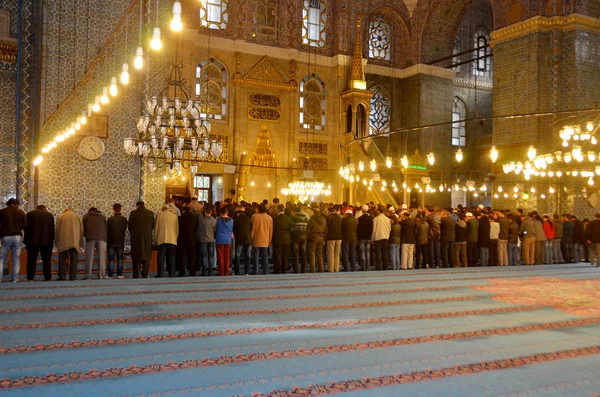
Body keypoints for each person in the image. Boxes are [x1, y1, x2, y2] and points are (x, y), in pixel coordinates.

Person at [24, 204, 54, 281]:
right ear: (44, 208)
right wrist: (52, 241)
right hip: (46, 241)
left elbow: (26, 228)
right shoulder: (49, 215)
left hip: (32, 241)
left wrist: (26, 241)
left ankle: (30, 277)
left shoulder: (30, 214)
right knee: (47, 260)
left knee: (31, 260)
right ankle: (48, 277)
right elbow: (52, 229)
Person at [0, 199, 27, 282]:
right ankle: (15, 278)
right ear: (16, 204)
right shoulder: (21, 212)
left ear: (8, 204)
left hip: (5, 236)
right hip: (17, 237)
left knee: (1, 258)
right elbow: (25, 225)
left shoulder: (2, 212)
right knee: (16, 258)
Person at [128, 201, 155, 278]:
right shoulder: (150, 213)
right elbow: (153, 226)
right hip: (147, 237)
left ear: (137, 206)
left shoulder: (133, 213)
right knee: (146, 256)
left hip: (136, 238)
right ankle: (145, 273)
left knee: (136, 257)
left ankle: (136, 274)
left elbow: (130, 226)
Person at [55, 208, 83, 280]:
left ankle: (62, 276)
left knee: (62, 259)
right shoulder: (77, 216)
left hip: (63, 240)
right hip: (75, 240)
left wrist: (56, 242)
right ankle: (73, 276)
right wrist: (80, 242)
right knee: (74, 259)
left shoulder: (61, 216)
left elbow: (57, 230)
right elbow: (81, 230)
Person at [83, 207, 107, 280]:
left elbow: (84, 228)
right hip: (101, 239)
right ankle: (101, 275)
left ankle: (88, 276)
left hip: (90, 238)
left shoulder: (86, 216)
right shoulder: (103, 217)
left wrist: (86, 235)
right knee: (101, 258)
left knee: (89, 258)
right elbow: (106, 228)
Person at [154, 204, 178, 277]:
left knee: (161, 257)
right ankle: (171, 273)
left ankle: (160, 273)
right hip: (172, 239)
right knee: (171, 257)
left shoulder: (159, 215)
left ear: (163, 209)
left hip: (162, 239)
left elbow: (156, 228)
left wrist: (155, 239)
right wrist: (175, 238)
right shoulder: (174, 216)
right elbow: (177, 229)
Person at [107, 203, 128, 278]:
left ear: (113, 210)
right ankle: (120, 274)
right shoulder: (124, 219)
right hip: (120, 241)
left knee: (111, 259)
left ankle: (110, 275)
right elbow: (125, 229)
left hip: (111, 242)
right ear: (120, 209)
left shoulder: (110, 219)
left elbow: (107, 230)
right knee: (120, 258)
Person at [177, 206, 200, 277]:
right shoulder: (195, 218)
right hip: (192, 239)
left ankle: (182, 272)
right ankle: (192, 272)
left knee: (183, 257)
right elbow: (197, 229)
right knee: (191, 257)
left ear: (183, 211)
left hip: (182, 239)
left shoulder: (180, 218)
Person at [251, 204, 273, 275]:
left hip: (256, 238)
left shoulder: (254, 216)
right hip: (265, 239)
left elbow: (253, 229)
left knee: (255, 256)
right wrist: (270, 240)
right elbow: (270, 230)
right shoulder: (269, 218)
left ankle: (255, 270)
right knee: (265, 256)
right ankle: (265, 271)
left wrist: (251, 237)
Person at [272, 204, 294, 274]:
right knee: (285, 255)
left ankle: (277, 269)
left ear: (278, 210)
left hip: (277, 238)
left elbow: (273, 229)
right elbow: (292, 229)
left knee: (277, 254)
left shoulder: (275, 218)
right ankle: (284, 269)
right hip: (287, 239)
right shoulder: (289, 218)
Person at [197, 205, 217, 276]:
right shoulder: (214, 220)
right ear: (211, 212)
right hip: (211, 239)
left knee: (204, 256)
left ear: (204, 212)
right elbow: (215, 230)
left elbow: (199, 229)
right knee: (211, 256)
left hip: (203, 239)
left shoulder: (201, 220)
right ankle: (210, 271)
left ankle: (204, 271)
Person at [233, 206, 252, 275]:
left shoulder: (236, 219)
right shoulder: (248, 218)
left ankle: (237, 272)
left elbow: (234, 230)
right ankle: (247, 271)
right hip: (248, 239)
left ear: (237, 213)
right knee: (247, 256)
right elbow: (251, 228)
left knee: (237, 255)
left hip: (239, 239)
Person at [306, 208, 327, 273]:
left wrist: (306, 238)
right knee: (320, 255)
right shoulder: (324, 220)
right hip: (321, 238)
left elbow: (308, 230)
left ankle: (312, 270)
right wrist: (324, 239)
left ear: (313, 213)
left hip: (312, 239)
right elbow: (326, 230)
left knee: (312, 254)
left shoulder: (312, 220)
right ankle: (321, 269)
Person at [215, 207, 234, 276]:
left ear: (220, 213)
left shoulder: (218, 220)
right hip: (228, 239)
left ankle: (221, 272)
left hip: (219, 239)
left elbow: (215, 228)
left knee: (220, 256)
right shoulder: (231, 220)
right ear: (227, 212)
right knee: (227, 256)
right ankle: (226, 272)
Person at [291, 205, 309, 273]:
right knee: (303, 254)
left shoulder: (293, 218)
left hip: (296, 237)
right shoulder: (306, 218)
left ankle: (296, 270)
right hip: (304, 237)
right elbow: (308, 228)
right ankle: (303, 269)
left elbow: (292, 229)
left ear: (295, 211)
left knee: (295, 253)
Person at [325, 206, 342, 272]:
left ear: (329, 212)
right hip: (338, 237)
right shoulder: (339, 218)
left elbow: (326, 228)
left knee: (330, 254)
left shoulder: (328, 218)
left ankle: (331, 269)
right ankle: (336, 268)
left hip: (331, 237)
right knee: (337, 254)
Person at [357, 205, 373, 271]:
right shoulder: (371, 218)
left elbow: (358, 229)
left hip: (361, 238)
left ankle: (363, 267)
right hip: (368, 237)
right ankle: (367, 267)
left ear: (362, 210)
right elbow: (372, 228)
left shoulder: (360, 218)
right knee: (368, 252)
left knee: (362, 252)